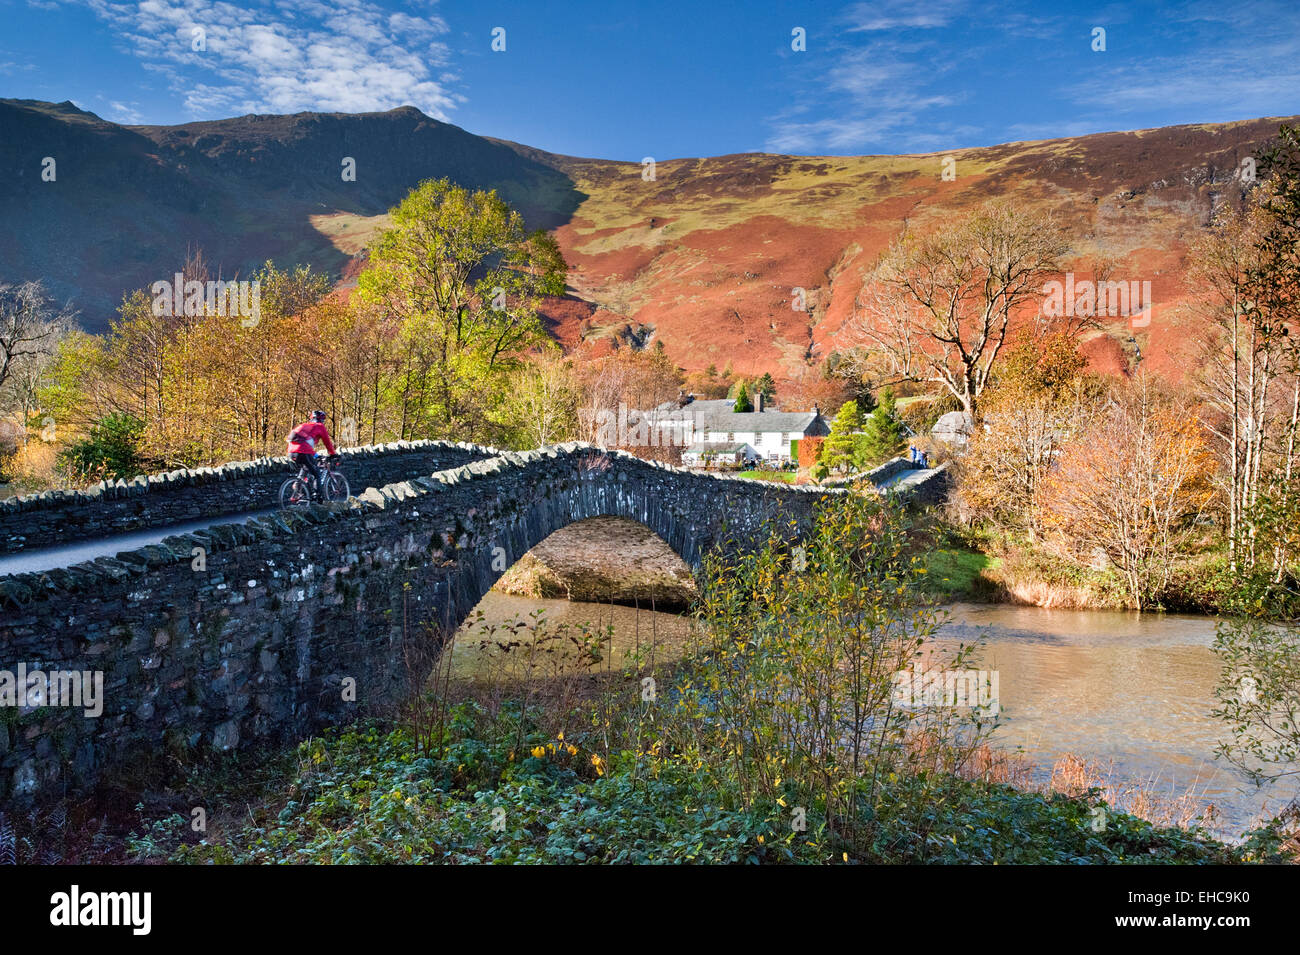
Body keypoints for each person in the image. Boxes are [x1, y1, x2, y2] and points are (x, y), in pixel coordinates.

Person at [286, 410, 337, 501]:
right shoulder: (320, 427)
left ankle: (296, 491)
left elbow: (305, 444)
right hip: (303, 451)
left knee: (306, 468)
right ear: (322, 420)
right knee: (317, 473)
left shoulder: (305, 426)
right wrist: (333, 454)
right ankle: (318, 498)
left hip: (291, 451)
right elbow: (327, 443)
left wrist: (317, 456)